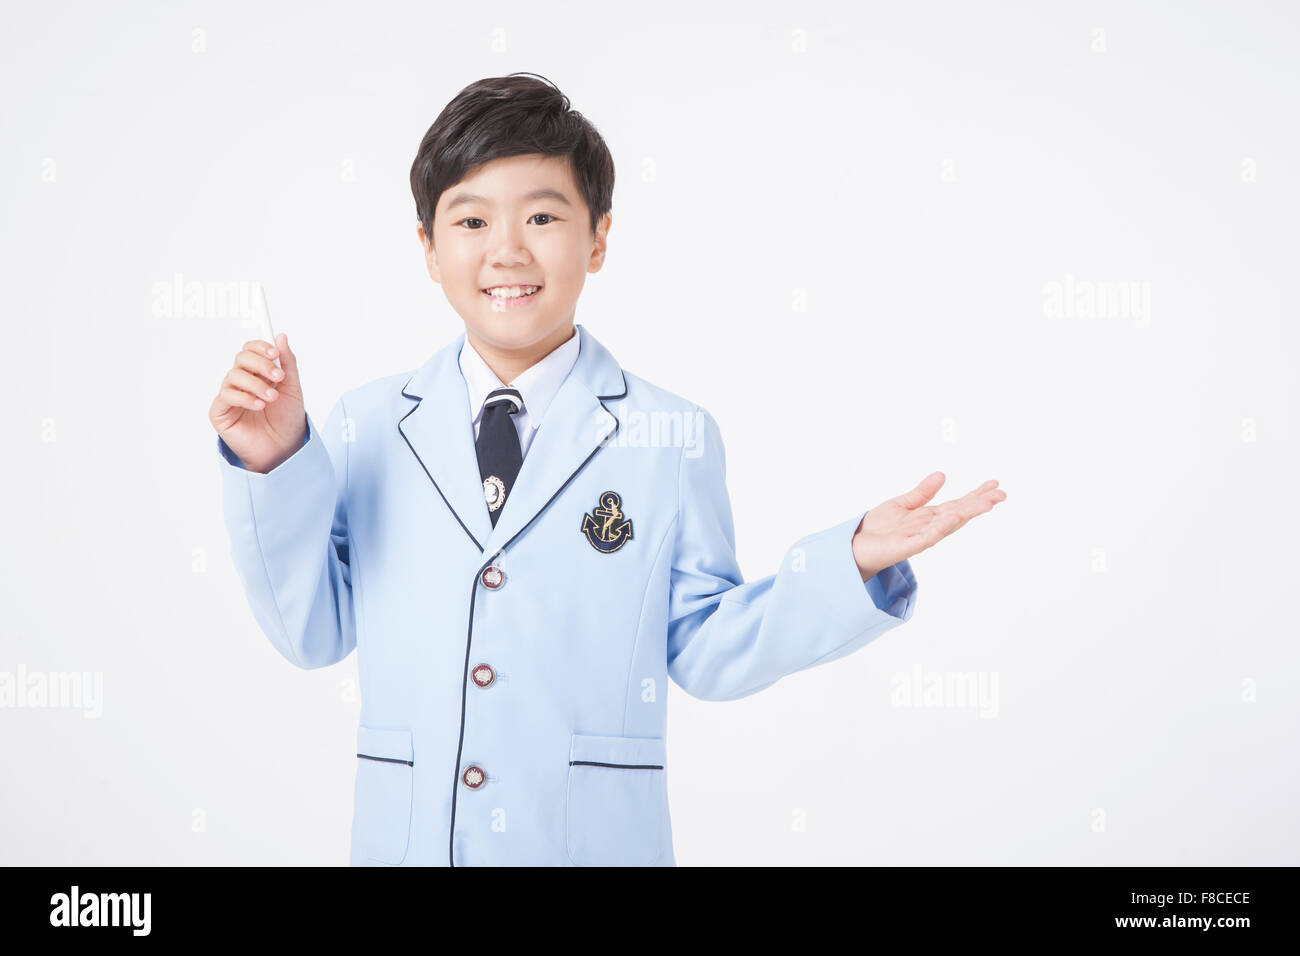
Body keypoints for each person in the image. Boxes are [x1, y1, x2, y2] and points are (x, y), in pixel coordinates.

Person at [207, 72, 1006, 867]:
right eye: (472, 220)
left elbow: (707, 646)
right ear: (428, 248)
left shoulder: (670, 436)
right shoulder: (366, 424)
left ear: (598, 238)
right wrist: (271, 459)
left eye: (543, 216)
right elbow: (312, 633)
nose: (507, 251)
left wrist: (850, 562)